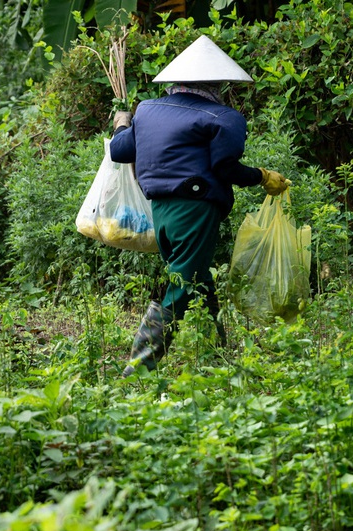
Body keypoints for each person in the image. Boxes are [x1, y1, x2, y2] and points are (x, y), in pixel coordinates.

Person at [109, 35, 289, 376]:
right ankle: (136, 370)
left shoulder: (146, 110)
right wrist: (262, 176)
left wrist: (122, 122)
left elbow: (119, 150)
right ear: (216, 84)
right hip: (195, 210)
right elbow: (225, 168)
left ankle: (217, 356)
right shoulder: (224, 117)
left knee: (198, 278)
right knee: (181, 285)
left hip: (161, 212)